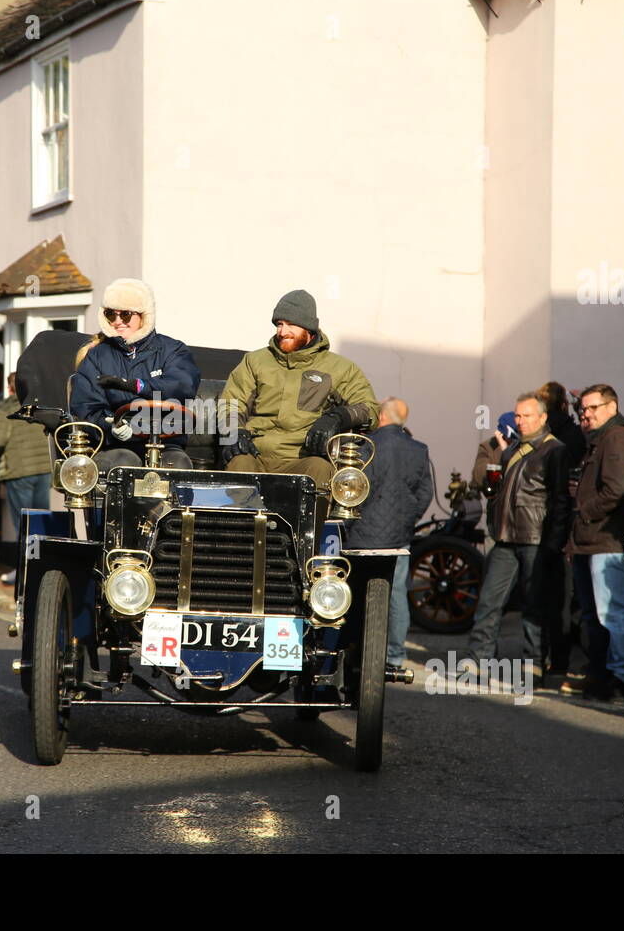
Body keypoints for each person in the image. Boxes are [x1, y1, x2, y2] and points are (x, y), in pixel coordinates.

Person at [218, 289, 379, 489]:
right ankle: (241, 520)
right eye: (279, 324)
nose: (283, 332)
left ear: (309, 329)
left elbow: (369, 409)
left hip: (304, 457)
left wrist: (338, 417)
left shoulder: (340, 369)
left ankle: (309, 521)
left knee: (320, 469)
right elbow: (231, 401)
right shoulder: (256, 361)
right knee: (238, 462)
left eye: (291, 325)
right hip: (256, 452)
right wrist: (235, 431)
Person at [466, 393, 570, 672]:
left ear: (542, 418)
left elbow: (561, 501)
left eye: (526, 416)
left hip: (535, 537)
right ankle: (479, 659)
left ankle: (533, 663)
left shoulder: (554, 450)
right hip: (505, 536)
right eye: (518, 415)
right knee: (489, 601)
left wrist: (554, 542)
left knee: (534, 606)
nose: (520, 421)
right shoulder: (512, 449)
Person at [560, 384, 624, 702]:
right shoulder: (598, 441)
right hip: (591, 540)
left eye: (593, 408)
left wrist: (584, 511)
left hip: (609, 540)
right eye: (583, 410)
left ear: (612, 406)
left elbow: (617, 488)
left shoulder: (617, 437)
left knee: (614, 612)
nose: (587, 414)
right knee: (596, 614)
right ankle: (601, 676)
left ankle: (621, 680)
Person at [69, 278, 200, 470]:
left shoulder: (173, 350)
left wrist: (140, 386)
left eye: (126, 315)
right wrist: (112, 426)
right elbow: (86, 407)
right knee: (122, 465)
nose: (118, 321)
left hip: (166, 441)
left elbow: (182, 386)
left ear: (144, 315)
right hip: (116, 444)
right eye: (110, 314)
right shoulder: (97, 356)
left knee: (177, 465)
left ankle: (168, 501)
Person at [346, 397, 433, 671]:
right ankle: (394, 657)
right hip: (398, 538)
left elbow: (356, 490)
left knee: (354, 594)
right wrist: (408, 519)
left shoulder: (366, 446)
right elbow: (425, 494)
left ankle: (353, 652)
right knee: (396, 595)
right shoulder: (419, 449)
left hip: (361, 535)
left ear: (381, 416)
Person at [0, 372, 53, 585]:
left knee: (23, 524)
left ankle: (23, 573)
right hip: (43, 469)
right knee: (40, 520)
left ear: (11, 388)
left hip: (19, 471)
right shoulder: (41, 404)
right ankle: (41, 569)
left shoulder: (7, 407)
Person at [539, 381, 586, 468]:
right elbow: (590, 432)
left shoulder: (537, 430)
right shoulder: (575, 432)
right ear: (563, 405)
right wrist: (580, 409)